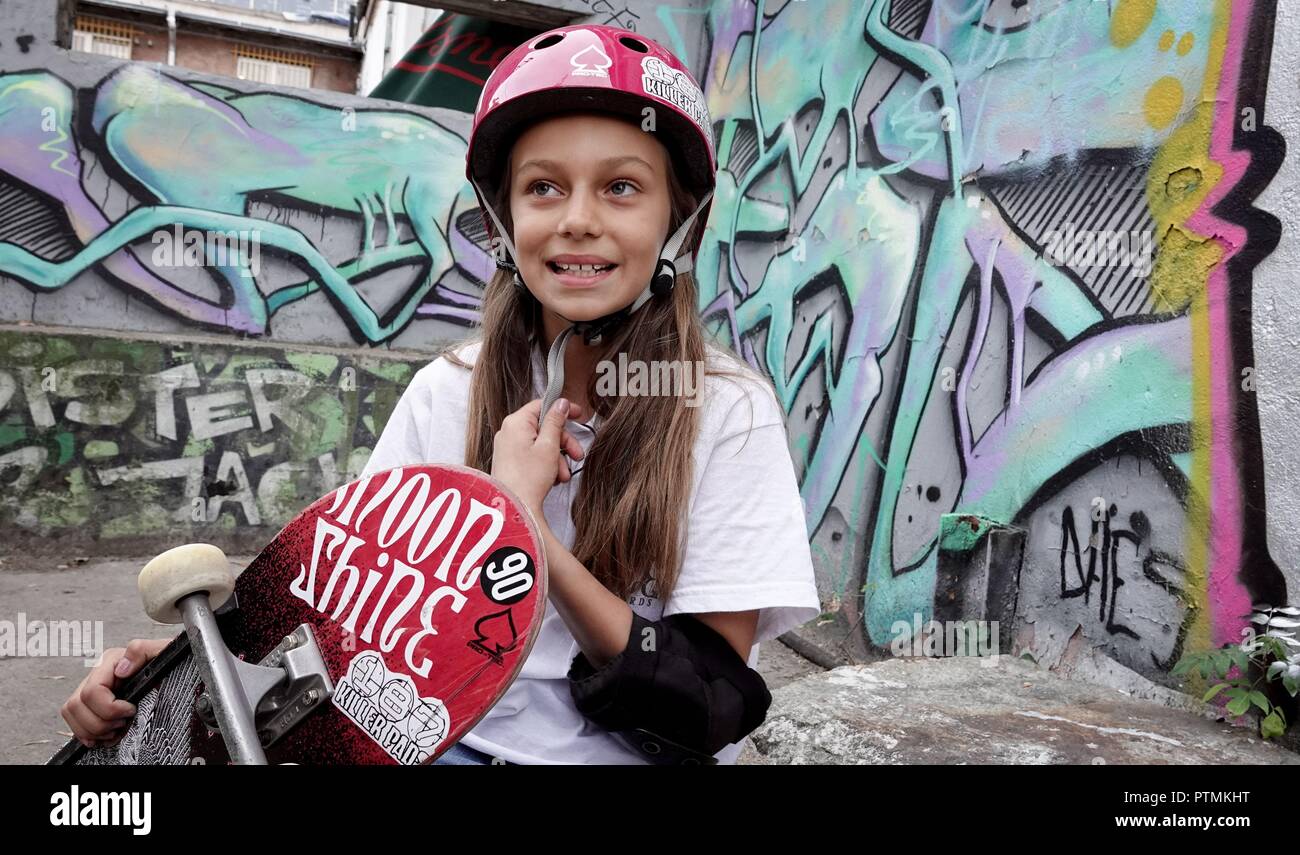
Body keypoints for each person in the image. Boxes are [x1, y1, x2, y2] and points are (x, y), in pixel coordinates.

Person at [60, 23, 820, 766]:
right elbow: (349, 610)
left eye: (621, 187)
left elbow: (710, 704)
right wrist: (187, 673)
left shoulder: (725, 411)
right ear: (501, 218)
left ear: (679, 218)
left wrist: (519, 530)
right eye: (543, 187)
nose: (578, 220)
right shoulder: (445, 391)